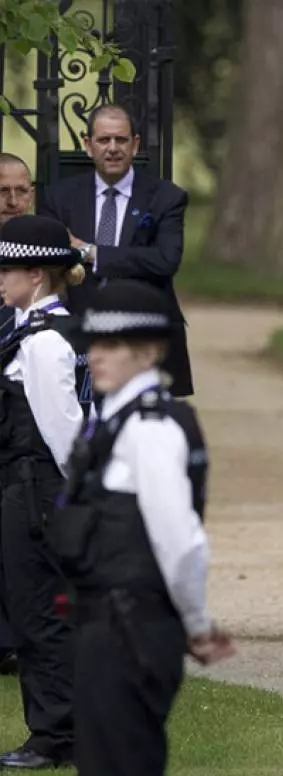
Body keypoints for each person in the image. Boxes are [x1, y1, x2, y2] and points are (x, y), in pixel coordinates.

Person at [50, 279, 234, 776]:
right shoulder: (117, 420)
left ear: (150, 351)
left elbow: (178, 540)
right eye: (93, 343)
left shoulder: (151, 429)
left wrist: (196, 624)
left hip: (130, 628)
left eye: (113, 345)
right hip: (104, 624)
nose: (97, 356)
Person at [0, 215, 88, 769]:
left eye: (7, 268)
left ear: (36, 275)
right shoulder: (45, 332)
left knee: (39, 615)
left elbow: (65, 431)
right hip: (34, 489)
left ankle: (56, 734)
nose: (1, 279)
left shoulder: (42, 344)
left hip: (37, 491)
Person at [37, 103, 194, 397]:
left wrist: (90, 252)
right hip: (76, 331)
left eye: (121, 140)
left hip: (144, 333)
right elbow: (50, 263)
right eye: (103, 140)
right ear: (88, 145)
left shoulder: (166, 197)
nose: (112, 148)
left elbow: (164, 261)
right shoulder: (59, 198)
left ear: (135, 145)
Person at [0, 152, 36, 676]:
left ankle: (12, 641)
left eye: (20, 191)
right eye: (2, 193)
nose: (11, 201)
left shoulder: (44, 256)